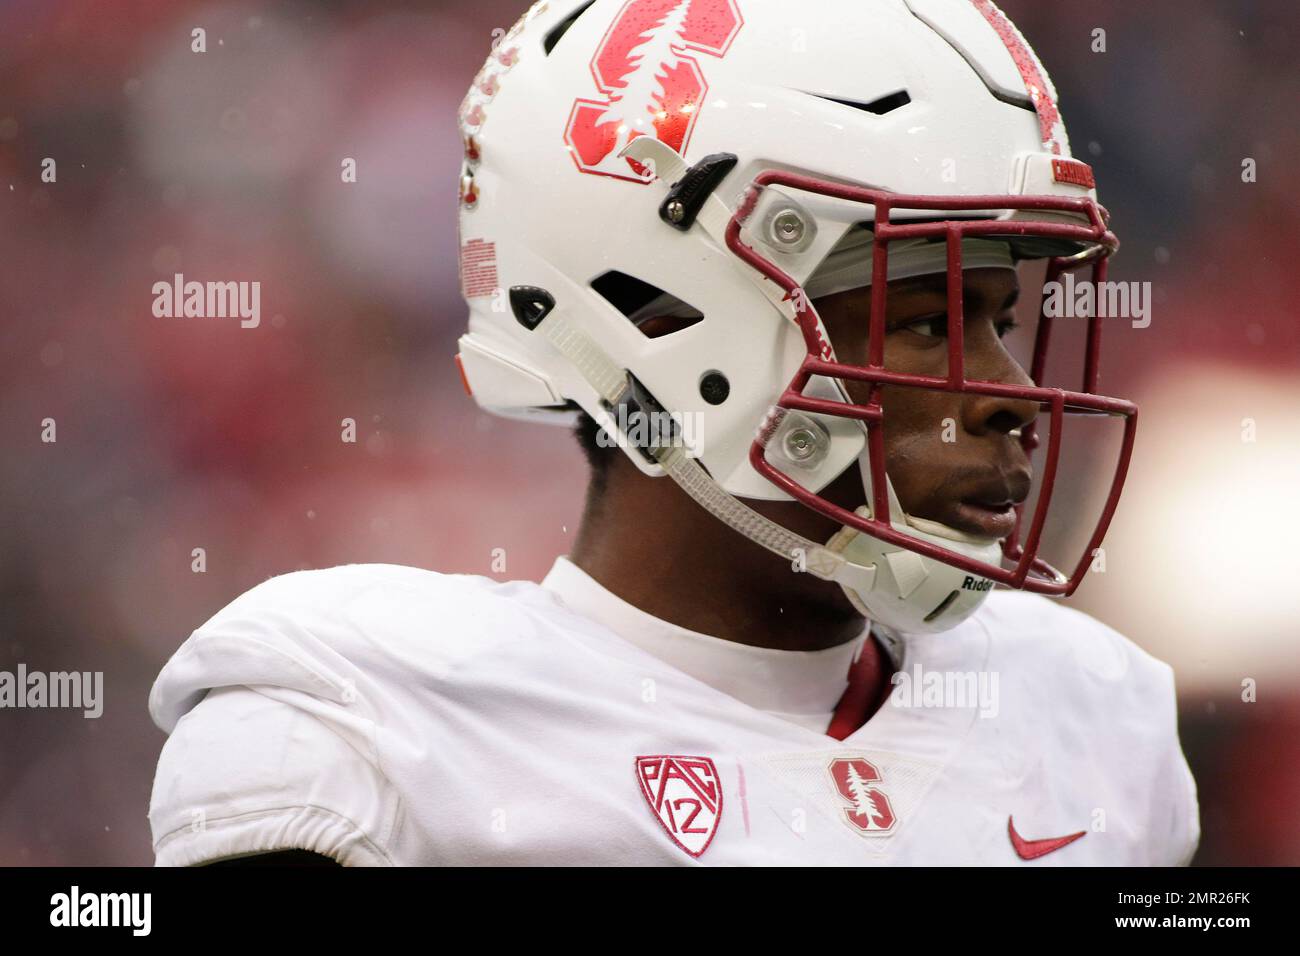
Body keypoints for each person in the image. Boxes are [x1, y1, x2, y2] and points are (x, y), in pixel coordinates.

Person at [148, 0, 1199, 866]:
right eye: (925, 323)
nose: (1007, 392)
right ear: (657, 324)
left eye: (997, 321)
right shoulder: (371, 736)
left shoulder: (1090, 716)